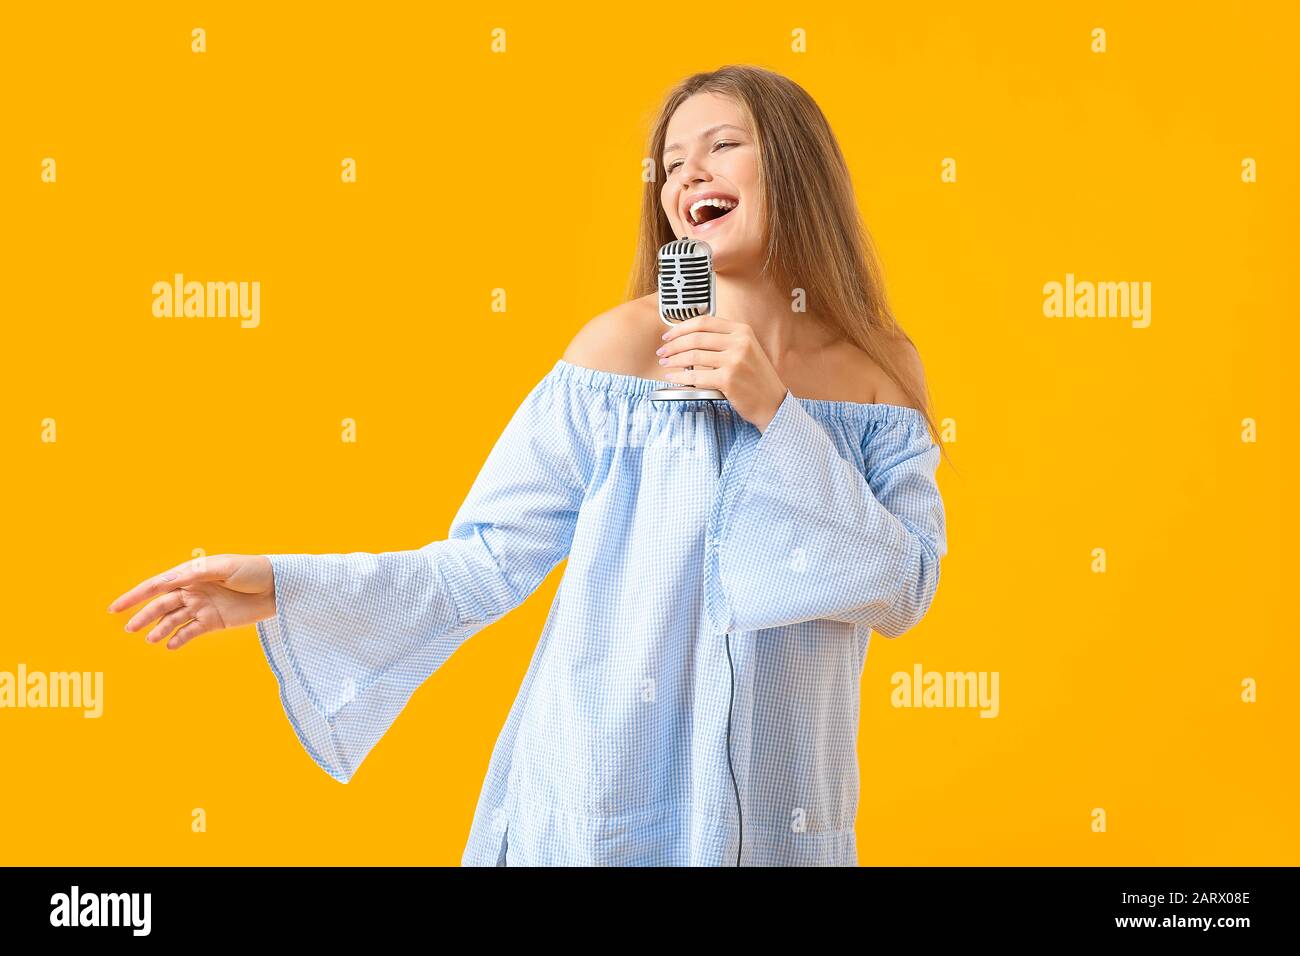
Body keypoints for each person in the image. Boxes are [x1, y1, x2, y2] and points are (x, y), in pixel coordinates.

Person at [106, 65, 949, 866]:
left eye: (722, 145)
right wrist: (289, 585)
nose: (690, 173)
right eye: (671, 164)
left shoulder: (878, 376)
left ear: (797, 167)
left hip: (784, 818)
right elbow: (482, 564)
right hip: (596, 805)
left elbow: (903, 587)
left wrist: (773, 412)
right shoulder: (620, 352)